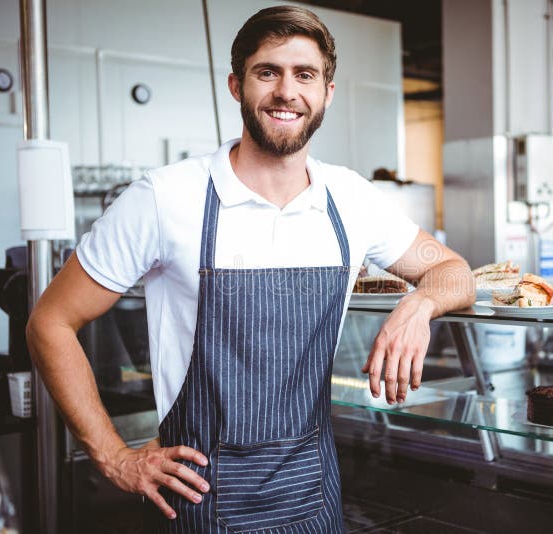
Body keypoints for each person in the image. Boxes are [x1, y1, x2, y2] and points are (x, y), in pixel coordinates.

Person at [26, 5, 474, 532]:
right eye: (269, 72)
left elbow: (453, 270)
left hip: (314, 496)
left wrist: (418, 304)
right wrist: (114, 456)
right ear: (238, 85)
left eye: (304, 75)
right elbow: (49, 323)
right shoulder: (166, 197)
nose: (287, 91)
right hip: (200, 500)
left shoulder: (350, 198)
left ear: (327, 93)